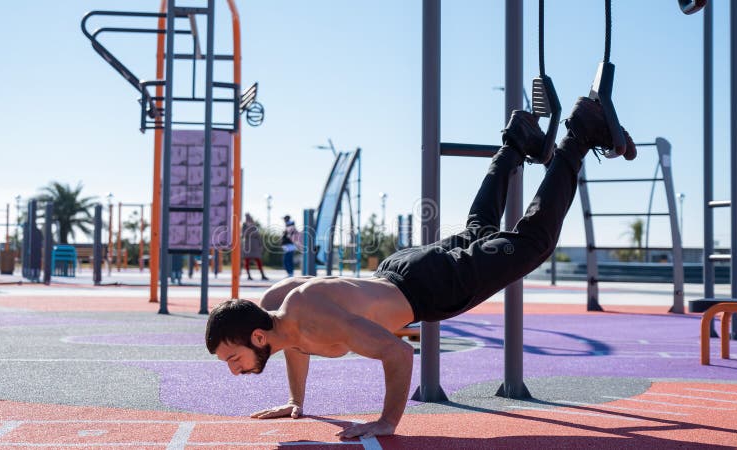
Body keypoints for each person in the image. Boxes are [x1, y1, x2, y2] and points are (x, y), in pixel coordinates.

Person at [204, 97, 637, 438]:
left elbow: (398, 352)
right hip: (399, 270)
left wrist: (387, 422)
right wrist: (297, 401)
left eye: (233, 357)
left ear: (257, 336)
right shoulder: (277, 310)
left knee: (534, 243)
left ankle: (578, 134)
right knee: (479, 230)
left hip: (431, 290)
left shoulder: (313, 319)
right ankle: (514, 142)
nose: (233, 367)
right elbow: (293, 345)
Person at [242, 213, 268, 281]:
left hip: (255, 245)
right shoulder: (244, 226)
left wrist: (260, 245)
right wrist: (248, 227)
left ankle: (262, 275)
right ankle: (248, 275)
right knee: (247, 261)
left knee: (258, 260)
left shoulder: (254, 226)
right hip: (248, 246)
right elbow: (244, 234)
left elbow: (258, 236)